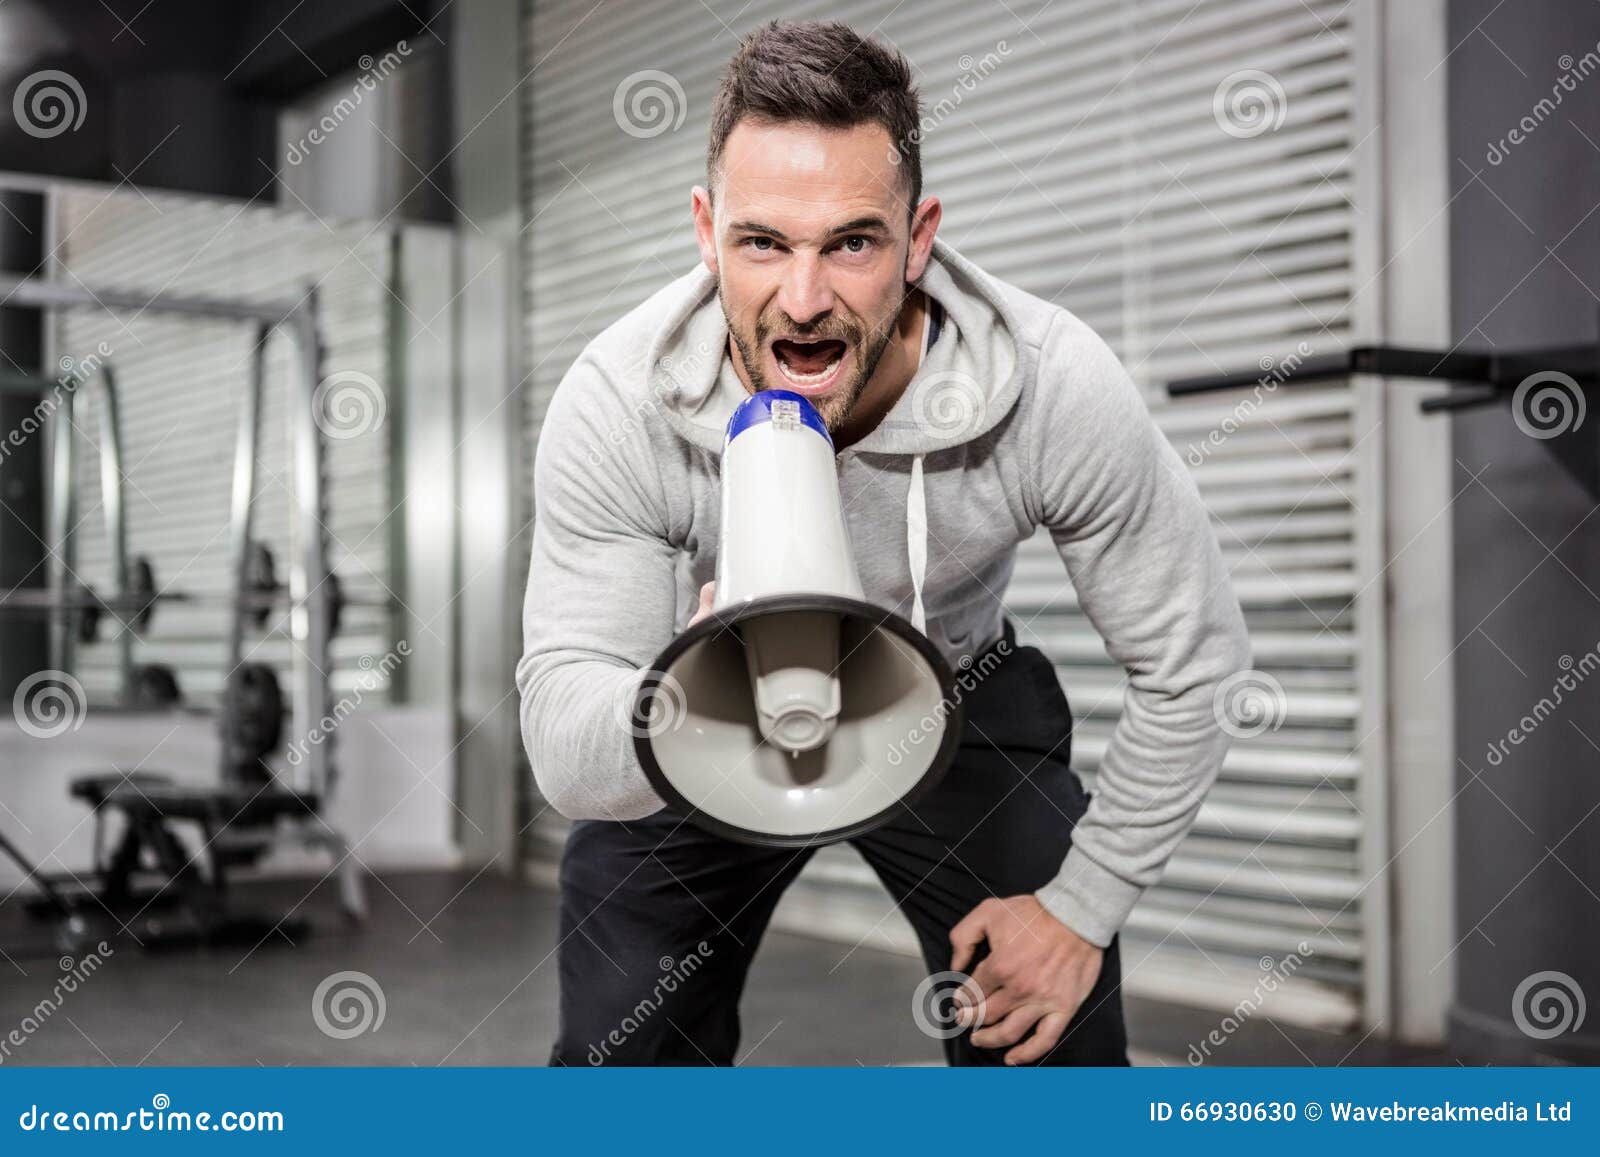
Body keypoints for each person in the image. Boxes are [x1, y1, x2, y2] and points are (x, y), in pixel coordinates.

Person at [517, 18, 1252, 1067]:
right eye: (763, 242)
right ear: (705, 231)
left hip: (951, 685)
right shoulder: (619, 403)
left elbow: (1195, 662)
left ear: (918, 239)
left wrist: (1080, 909)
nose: (804, 300)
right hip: (702, 701)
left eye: (852, 243)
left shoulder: (1046, 382)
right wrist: (670, 701)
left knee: (1050, 1049)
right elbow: (563, 731)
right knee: (620, 1058)